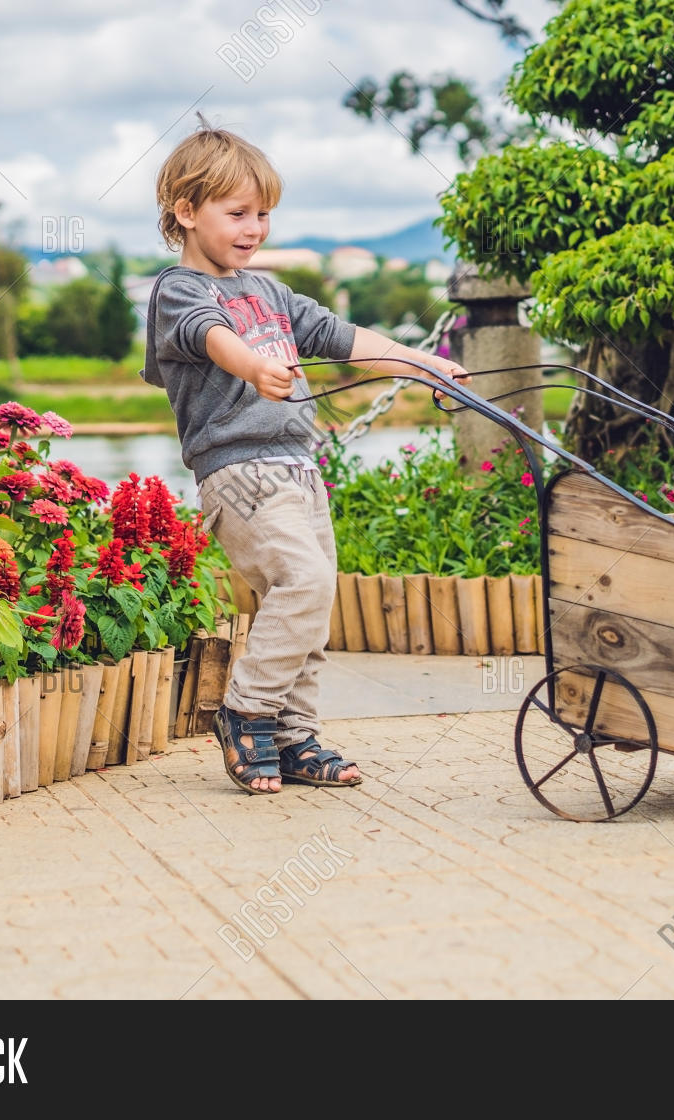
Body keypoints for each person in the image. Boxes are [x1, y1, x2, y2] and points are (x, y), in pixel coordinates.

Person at [142, 123, 470, 795]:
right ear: (185, 211)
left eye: (263, 214)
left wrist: (425, 363)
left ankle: (293, 737)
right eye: (238, 213)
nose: (254, 227)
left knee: (309, 607)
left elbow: (343, 336)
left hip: (298, 465)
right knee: (305, 584)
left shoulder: (270, 293)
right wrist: (257, 365)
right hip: (238, 472)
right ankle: (245, 712)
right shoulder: (178, 289)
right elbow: (212, 339)